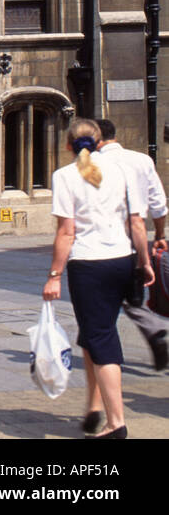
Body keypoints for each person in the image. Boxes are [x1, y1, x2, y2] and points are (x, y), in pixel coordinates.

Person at [44, 118, 154, 438]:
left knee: (101, 336)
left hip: (88, 265)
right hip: (121, 260)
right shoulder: (122, 170)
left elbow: (66, 232)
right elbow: (136, 222)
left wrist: (54, 275)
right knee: (94, 333)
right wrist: (143, 262)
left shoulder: (64, 176)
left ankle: (116, 422)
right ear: (100, 141)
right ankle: (94, 406)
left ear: (68, 145)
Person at [95, 119, 169, 370]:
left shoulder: (92, 164)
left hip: (103, 240)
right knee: (131, 293)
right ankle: (153, 329)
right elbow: (158, 203)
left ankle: (105, 351)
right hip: (136, 239)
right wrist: (159, 234)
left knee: (102, 300)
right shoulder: (142, 160)